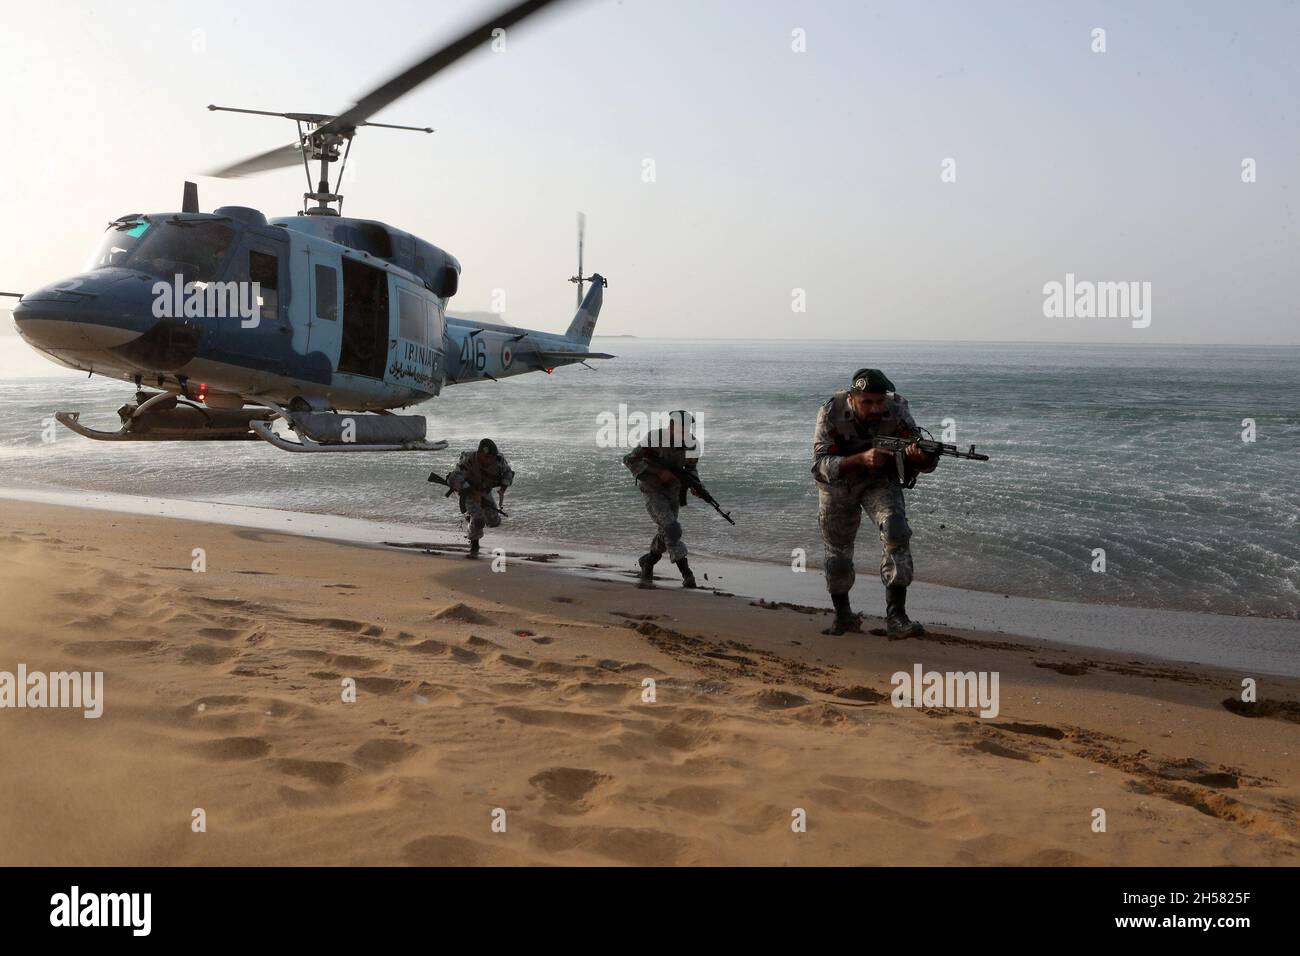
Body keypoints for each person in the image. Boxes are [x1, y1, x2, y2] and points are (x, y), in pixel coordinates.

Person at [811, 369, 939, 636]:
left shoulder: (897, 408)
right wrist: (860, 459)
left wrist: (920, 457)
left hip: (879, 480)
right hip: (838, 485)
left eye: (879, 401)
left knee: (896, 532)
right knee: (838, 552)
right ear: (852, 398)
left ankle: (896, 618)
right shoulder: (831, 412)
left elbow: (924, 461)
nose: (875, 408)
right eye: (867, 402)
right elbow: (820, 465)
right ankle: (844, 617)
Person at [623, 411, 702, 589]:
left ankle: (649, 560)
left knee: (667, 529)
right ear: (671, 426)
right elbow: (629, 459)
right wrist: (658, 472)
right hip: (652, 488)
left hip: (673, 491)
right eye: (681, 428)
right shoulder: (654, 438)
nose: (685, 432)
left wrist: (695, 486)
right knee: (672, 528)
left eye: (688, 428)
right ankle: (687, 573)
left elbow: (691, 469)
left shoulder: (692, 444)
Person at [447, 438, 514, 558]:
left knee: (494, 521)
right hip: (467, 490)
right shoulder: (468, 459)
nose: (489, 460)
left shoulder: (499, 460)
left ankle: (469, 517)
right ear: (479, 454)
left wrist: (503, 487)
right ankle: (474, 544)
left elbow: (508, 473)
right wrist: (472, 492)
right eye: (485, 457)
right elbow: (454, 478)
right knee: (478, 520)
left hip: (484, 491)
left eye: (491, 457)